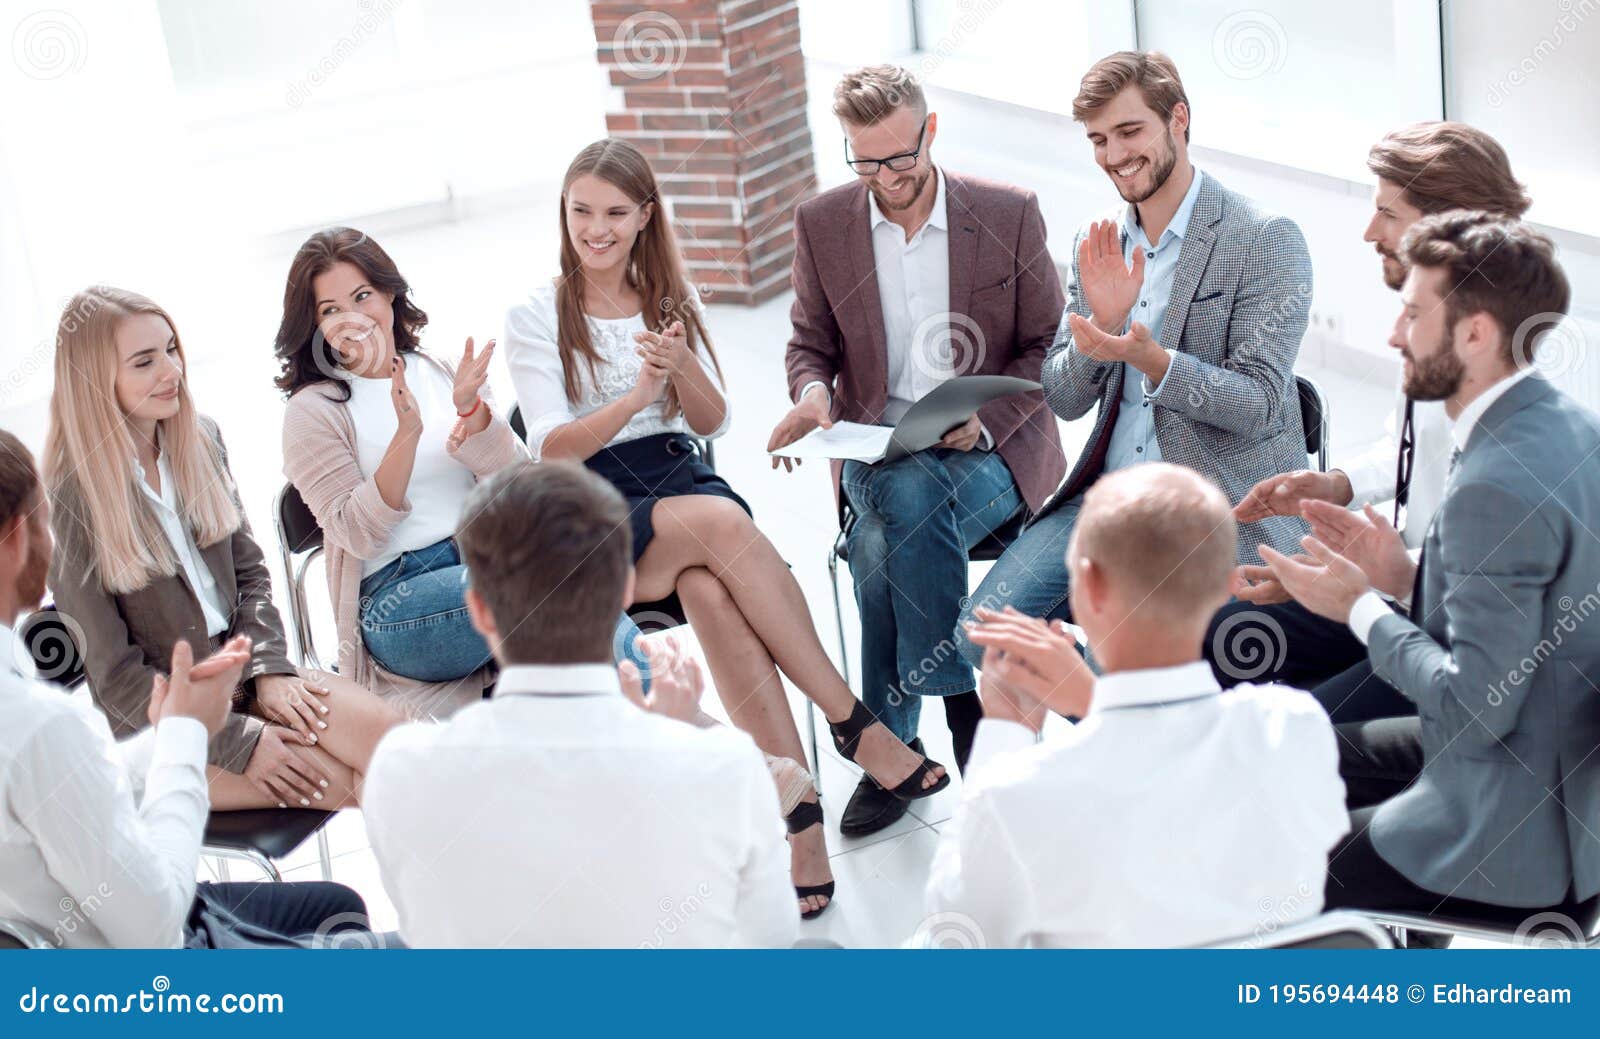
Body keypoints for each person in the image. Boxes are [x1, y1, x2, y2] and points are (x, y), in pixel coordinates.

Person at [504, 139, 950, 917]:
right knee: (718, 524)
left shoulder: (668, 298)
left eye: (614, 213)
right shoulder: (536, 314)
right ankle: (853, 722)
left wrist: (677, 369)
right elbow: (549, 445)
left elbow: (715, 420)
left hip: (682, 480)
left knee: (712, 588)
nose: (595, 229)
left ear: (645, 217)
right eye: (581, 211)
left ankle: (800, 824)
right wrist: (636, 390)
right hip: (591, 510)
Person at [1256, 212, 1600, 923]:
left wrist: (1360, 606)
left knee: (1260, 887)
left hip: (1513, 837)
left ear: (1476, 333)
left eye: (1413, 313)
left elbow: (1475, 709)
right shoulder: (1569, 425)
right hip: (1563, 787)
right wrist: (1405, 578)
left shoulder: (1494, 481)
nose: (1391, 334)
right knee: (1296, 753)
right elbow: (1526, 612)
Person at [767, 64, 1066, 837]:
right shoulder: (823, 222)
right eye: (864, 162)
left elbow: (1050, 348)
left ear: (930, 132)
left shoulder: (1007, 213)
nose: (885, 179)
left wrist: (987, 419)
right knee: (900, 497)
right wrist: (812, 397)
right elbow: (809, 344)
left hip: (987, 452)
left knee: (884, 534)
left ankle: (897, 745)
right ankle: (969, 720)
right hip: (876, 444)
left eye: (899, 159)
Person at [954, 50, 1314, 670]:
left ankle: (1122, 721)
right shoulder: (1096, 246)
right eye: (1098, 140)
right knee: (980, 637)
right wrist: (1104, 330)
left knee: (1124, 670)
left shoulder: (1264, 238)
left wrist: (1157, 362)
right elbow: (1065, 400)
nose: (1114, 155)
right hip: (1107, 501)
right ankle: (1123, 727)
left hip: (1212, 511)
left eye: (1129, 131)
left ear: (1179, 120)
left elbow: (1260, 406)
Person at [362, 461, 798, 947]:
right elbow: (771, 945)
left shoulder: (399, 772)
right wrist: (667, 754)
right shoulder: (729, 768)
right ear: (626, 591)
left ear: (478, 609)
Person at [926, 464, 1346, 947]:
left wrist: (1004, 731)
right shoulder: (1295, 728)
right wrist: (1097, 704)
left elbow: (958, 937)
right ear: (1227, 587)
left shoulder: (1020, 792)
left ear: (1087, 587)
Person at [1, 429, 370, 948]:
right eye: (43, 519)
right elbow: (152, 927)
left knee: (340, 906)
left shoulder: (32, 716)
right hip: (155, 970)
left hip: (86, 940)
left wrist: (184, 725)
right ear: (18, 536)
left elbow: (77, 787)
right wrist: (186, 740)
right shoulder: (38, 726)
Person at [1213, 122, 1532, 706]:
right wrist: (1336, 484)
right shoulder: (1433, 318)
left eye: (1388, 214)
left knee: (1308, 729)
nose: (1369, 232)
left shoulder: (1500, 361)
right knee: (1213, 636)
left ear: (1446, 222)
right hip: (1394, 594)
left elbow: (1489, 572)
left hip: (1447, 637)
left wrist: (1353, 579)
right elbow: (1407, 446)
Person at [45, 286, 399, 812]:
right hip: (167, 730)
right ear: (95, 382)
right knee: (353, 781)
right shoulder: (71, 497)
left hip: (244, 676)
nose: (172, 371)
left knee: (400, 745)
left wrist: (269, 671)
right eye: (145, 362)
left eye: (171, 349)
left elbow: (251, 576)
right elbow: (116, 680)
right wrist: (237, 741)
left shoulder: (200, 439)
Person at [276, 228, 651, 720]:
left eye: (362, 295)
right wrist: (405, 436)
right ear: (314, 325)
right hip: (398, 600)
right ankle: (669, 726)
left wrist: (473, 414)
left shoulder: (442, 369)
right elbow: (356, 534)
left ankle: (650, 719)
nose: (352, 318)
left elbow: (519, 485)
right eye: (330, 309)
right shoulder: (312, 411)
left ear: (389, 293)